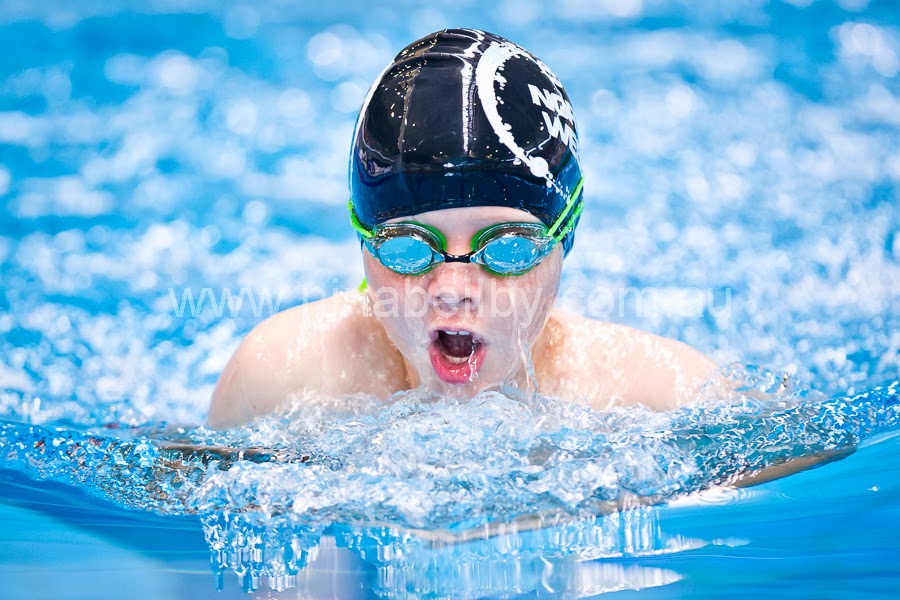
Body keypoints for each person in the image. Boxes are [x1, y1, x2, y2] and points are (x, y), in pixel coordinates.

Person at [208, 28, 716, 429]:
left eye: (508, 249)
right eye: (408, 249)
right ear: (364, 242)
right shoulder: (279, 380)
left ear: (566, 234)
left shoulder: (659, 397)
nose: (452, 292)